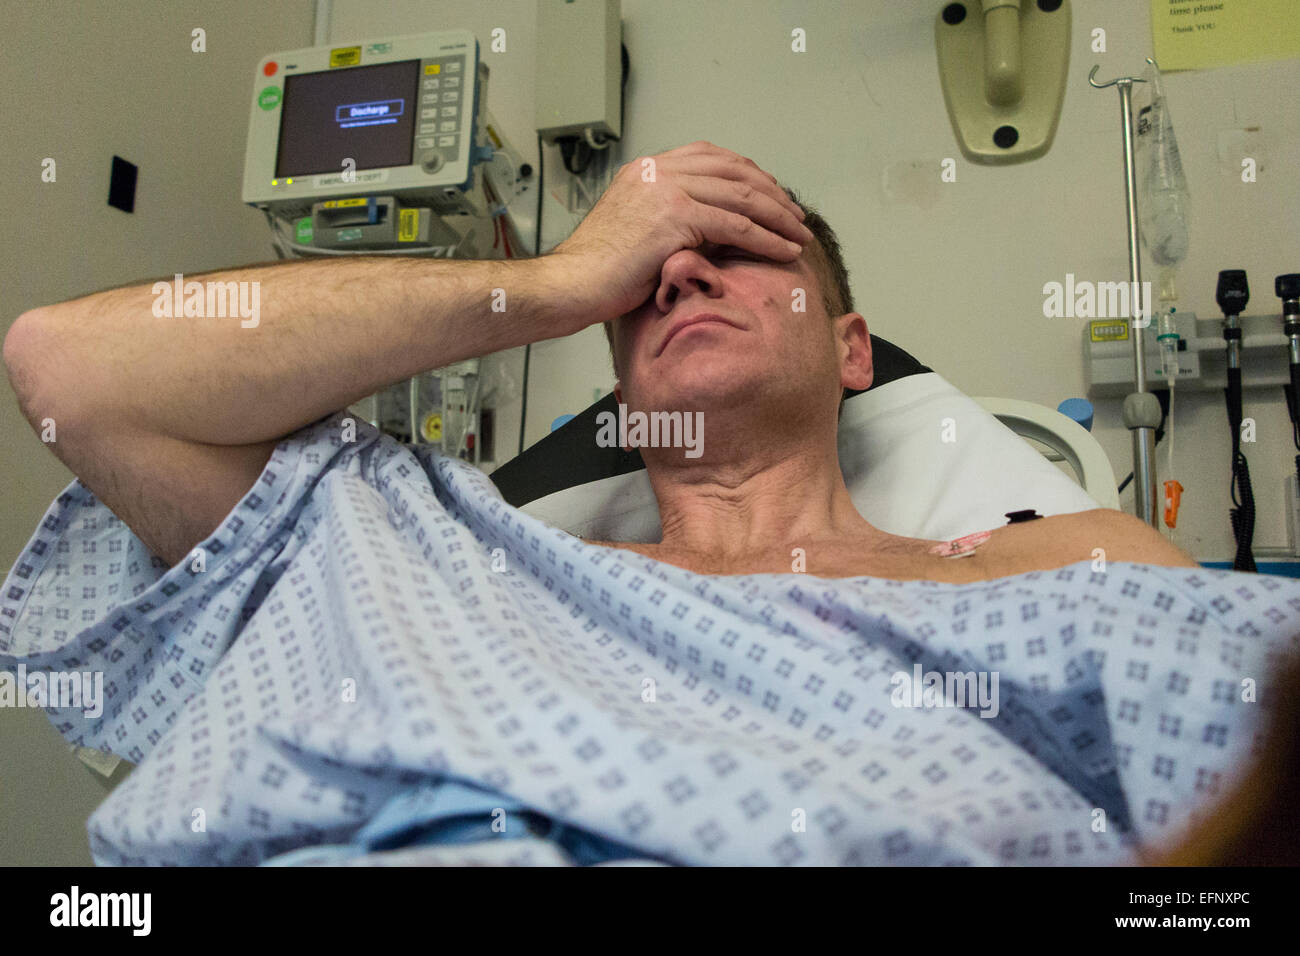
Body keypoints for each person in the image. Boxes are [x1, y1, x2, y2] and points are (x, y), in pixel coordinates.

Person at [1, 142, 1291, 867]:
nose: (678, 279)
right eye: (644, 279)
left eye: (739, 252)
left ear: (851, 351)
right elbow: (72, 372)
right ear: (620, 386)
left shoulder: (1054, 561)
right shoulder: (445, 552)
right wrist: (556, 282)